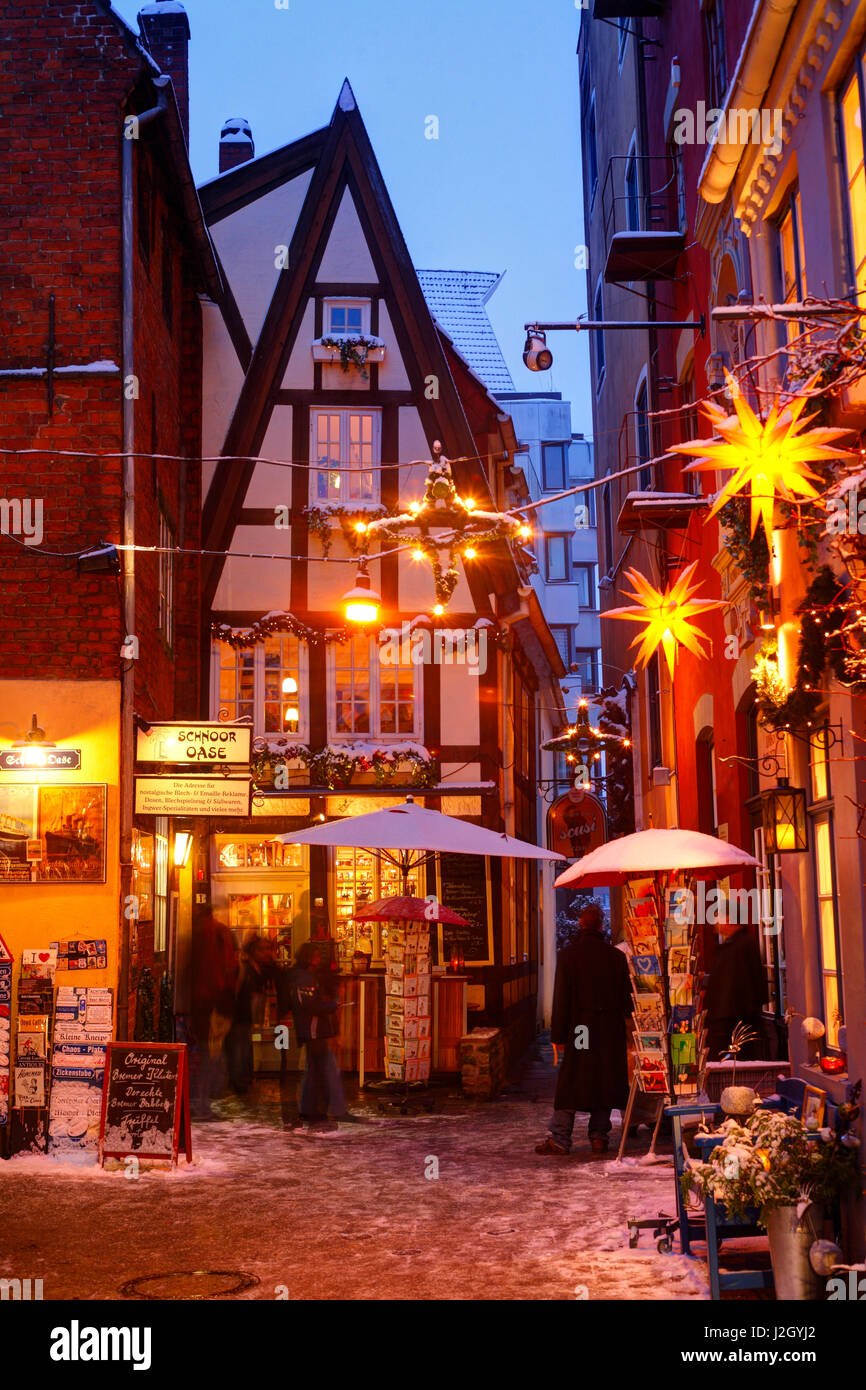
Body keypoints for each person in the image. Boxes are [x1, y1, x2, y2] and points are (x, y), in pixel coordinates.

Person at [536, 904, 632, 1156]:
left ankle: (560, 1138)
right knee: (604, 1077)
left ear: (580, 924)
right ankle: (599, 1136)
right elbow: (626, 998)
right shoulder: (616, 957)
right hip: (609, 1029)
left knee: (573, 1077)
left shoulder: (569, 956)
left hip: (581, 1028)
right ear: (601, 926)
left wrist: (558, 1036)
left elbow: (562, 999)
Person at [288, 942, 349, 1124]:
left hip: (312, 1029)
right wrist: (332, 1006)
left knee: (314, 1070)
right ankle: (323, 1109)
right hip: (313, 1030)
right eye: (315, 955)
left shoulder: (304, 976)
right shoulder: (305, 978)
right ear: (308, 957)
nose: (318, 958)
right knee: (322, 1069)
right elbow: (310, 1005)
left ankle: (310, 1109)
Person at [704, 919, 768, 1061]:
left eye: (719, 917)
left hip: (730, 1022)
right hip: (729, 1021)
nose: (715, 922)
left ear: (728, 920)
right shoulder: (735, 945)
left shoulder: (739, 946)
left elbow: (738, 986)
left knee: (731, 1062)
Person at [226, 934, 278, 1095]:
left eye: (268, 949)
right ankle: (239, 1082)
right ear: (254, 952)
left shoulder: (258, 968)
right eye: (262, 950)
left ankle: (245, 1078)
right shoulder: (245, 968)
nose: (266, 953)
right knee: (240, 1048)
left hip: (247, 1016)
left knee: (244, 1047)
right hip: (239, 1015)